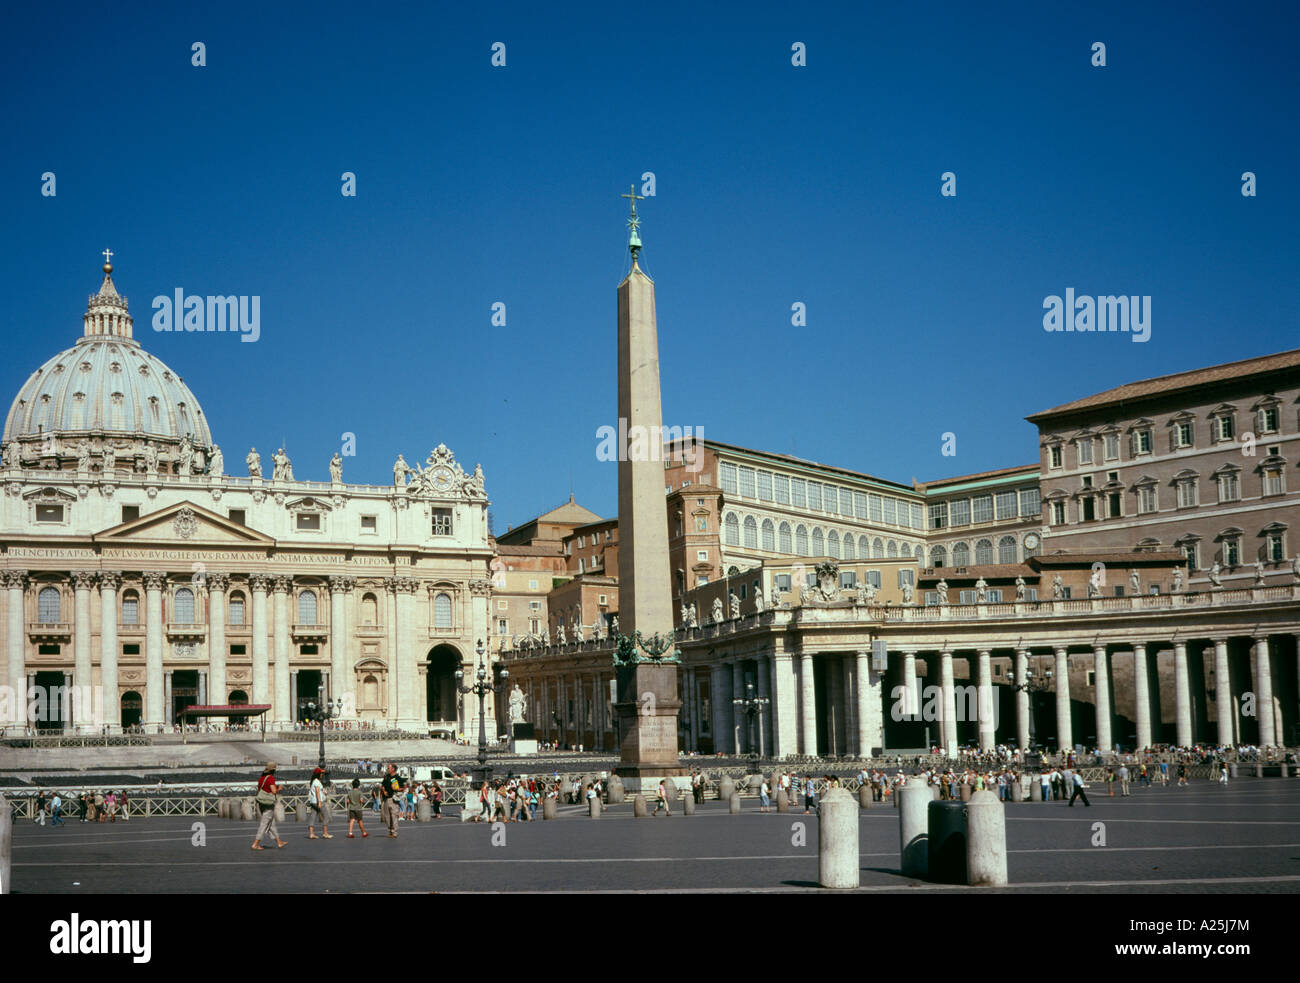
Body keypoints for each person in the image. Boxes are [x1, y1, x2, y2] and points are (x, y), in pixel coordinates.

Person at [252, 762, 288, 850]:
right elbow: (274, 791)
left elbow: (260, 789)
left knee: (271, 824)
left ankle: (279, 842)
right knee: (264, 824)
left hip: (261, 803)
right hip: (268, 803)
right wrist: (279, 788)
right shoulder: (271, 778)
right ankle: (255, 844)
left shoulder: (262, 778)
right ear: (273, 770)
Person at [307, 767, 333, 839]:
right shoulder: (317, 782)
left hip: (313, 802)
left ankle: (311, 834)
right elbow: (317, 792)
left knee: (313, 816)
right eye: (321, 773)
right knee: (326, 816)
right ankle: (325, 833)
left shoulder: (313, 781)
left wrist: (323, 791)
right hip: (318, 801)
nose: (322, 774)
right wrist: (320, 802)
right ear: (318, 774)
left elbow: (318, 791)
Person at [380, 763, 404, 837]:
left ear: (393, 769)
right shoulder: (386, 777)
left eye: (388, 768)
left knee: (394, 815)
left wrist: (397, 789)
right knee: (387, 816)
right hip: (386, 798)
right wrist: (384, 791)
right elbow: (383, 785)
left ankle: (395, 832)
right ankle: (390, 830)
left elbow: (403, 788)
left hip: (393, 798)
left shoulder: (398, 778)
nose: (387, 769)